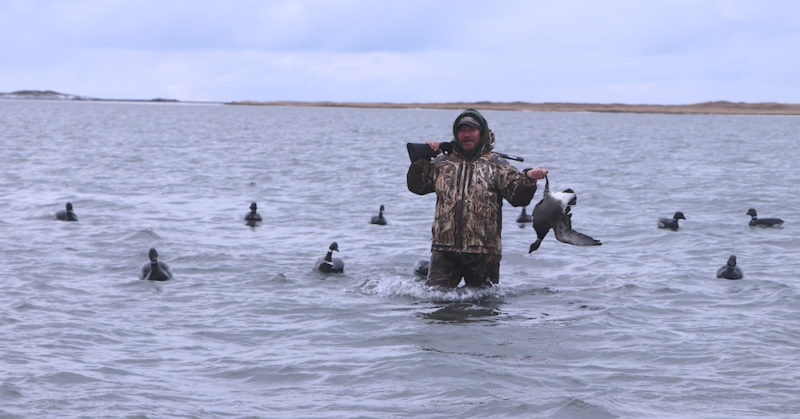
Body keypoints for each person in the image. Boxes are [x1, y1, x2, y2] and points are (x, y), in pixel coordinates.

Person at [407, 109, 548, 288]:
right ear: (456, 134)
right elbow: (417, 187)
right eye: (462, 130)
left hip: (484, 251)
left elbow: (518, 199)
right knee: (435, 298)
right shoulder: (442, 163)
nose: (466, 134)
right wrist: (422, 158)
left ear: (481, 133)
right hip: (443, 249)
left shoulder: (498, 165)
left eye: (471, 130)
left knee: (484, 302)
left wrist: (528, 179)